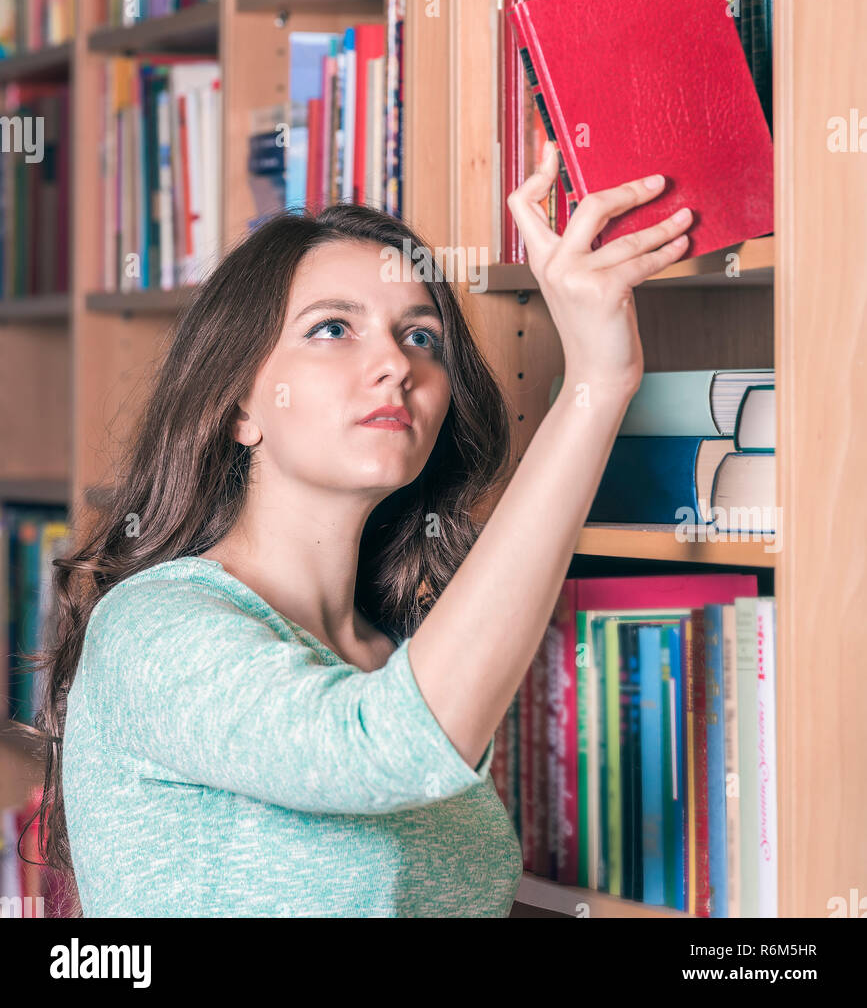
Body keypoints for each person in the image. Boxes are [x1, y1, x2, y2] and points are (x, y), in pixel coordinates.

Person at [27, 141, 692, 917]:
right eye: (332, 329)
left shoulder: (399, 652)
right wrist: (596, 382)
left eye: (420, 337)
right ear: (241, 406)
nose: (394, 364)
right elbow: (386, 748)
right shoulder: (151, 628)